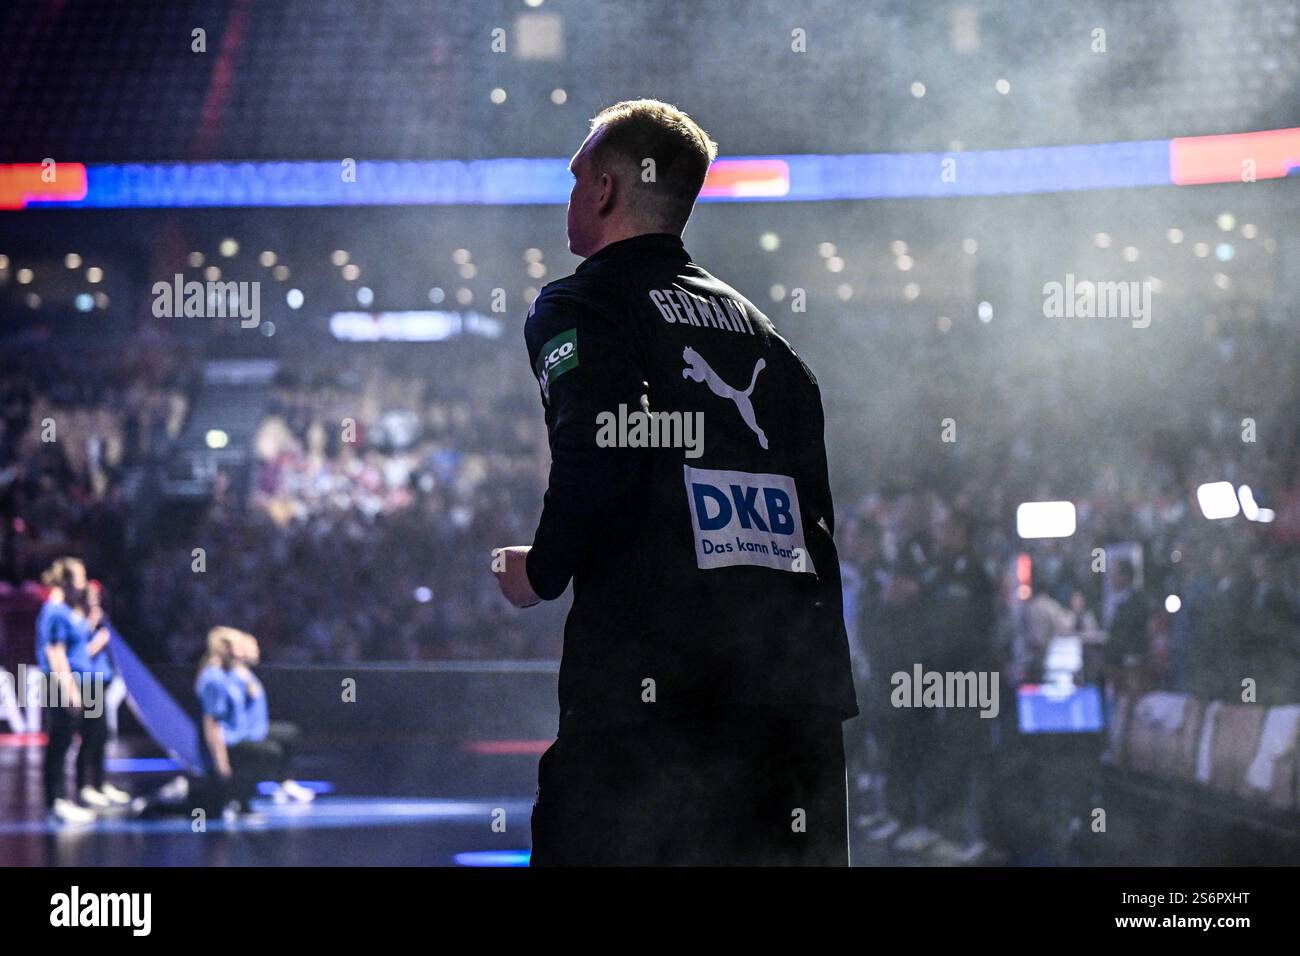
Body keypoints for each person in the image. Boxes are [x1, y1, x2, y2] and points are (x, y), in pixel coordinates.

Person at [491, 99, 859, 865]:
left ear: (602, 190)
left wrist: (543, 569)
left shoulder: (581, 302)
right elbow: (816, 520)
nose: (569, 198)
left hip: (650, 708)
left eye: (575, 179)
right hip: (793, 708)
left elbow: (600, 445)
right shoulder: (772, 340)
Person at [195, 627, 313, 818]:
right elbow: (212, 723)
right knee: (269, 752)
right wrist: (221, 762)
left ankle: (243, 797)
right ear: (225, 647)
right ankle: (238, 798)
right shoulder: (214, 678)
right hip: (228, 741)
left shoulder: (233, 673)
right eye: (238, 646)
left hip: (240, 735)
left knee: (282, 739)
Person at [35, 557, 96, 825]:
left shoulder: (70, 610)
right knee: (59, 742)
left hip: (74, 679)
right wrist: (69, 689)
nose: (84, 584)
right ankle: (56, 801)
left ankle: (63, 798)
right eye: (81, 578)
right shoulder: (56, 610)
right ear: (68, 581)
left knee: (69, 739)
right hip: (58, 681)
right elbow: (55, 653)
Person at [72, 579, 131, 810]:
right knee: (90, 735)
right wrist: (96, 637)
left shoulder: (97, 622)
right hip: (87, 684)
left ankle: (99, 783)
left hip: (102, 682)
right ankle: (84, 786)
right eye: (92, 598)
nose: (97, 602)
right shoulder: (77, 623)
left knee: (101, 735)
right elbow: (78, 654)